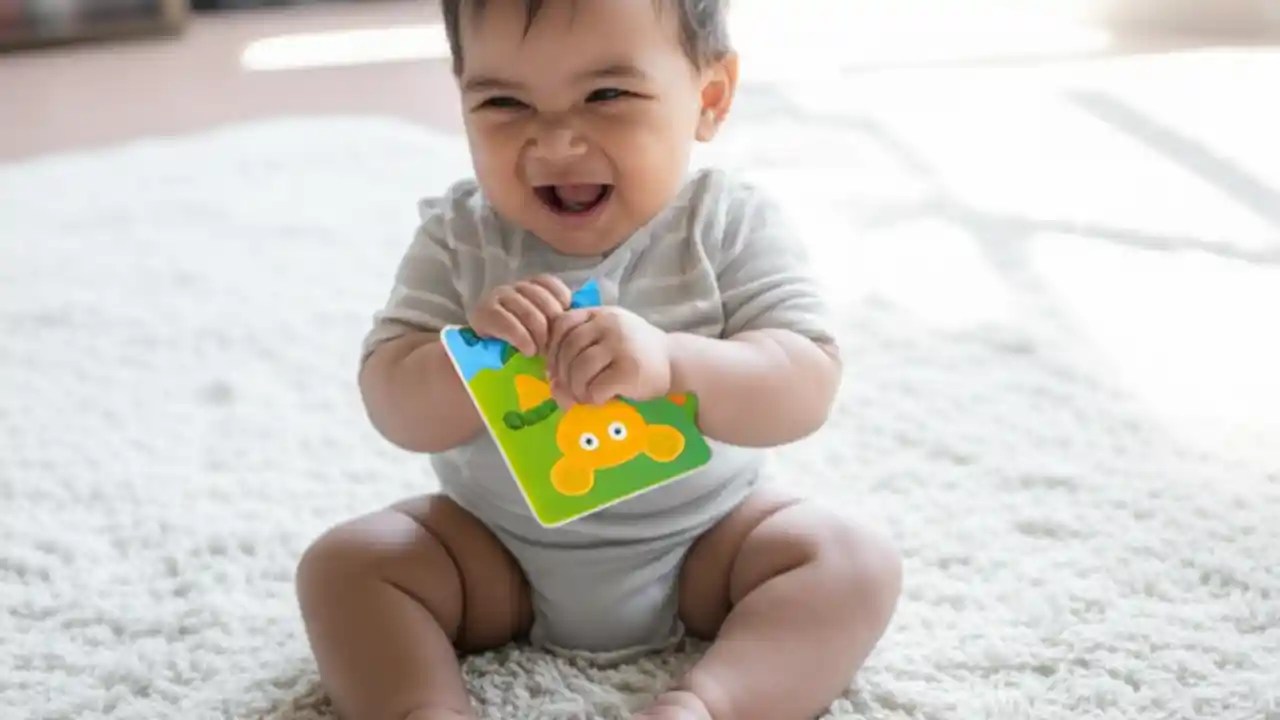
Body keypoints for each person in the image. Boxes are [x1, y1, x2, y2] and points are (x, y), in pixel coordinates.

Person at [296, 1, 902, 718]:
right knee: (345, 567)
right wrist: (465, 356)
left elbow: (803, 383)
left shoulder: (729, 223)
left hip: (707, 543)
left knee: (853, 561)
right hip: (494, 550)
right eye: (503, 102)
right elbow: (391, 399)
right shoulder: (459, 238)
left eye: (606, 95)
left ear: (709, 98)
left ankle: (711, 705)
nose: (554, 141)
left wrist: (675, 364)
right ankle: (423, 707)